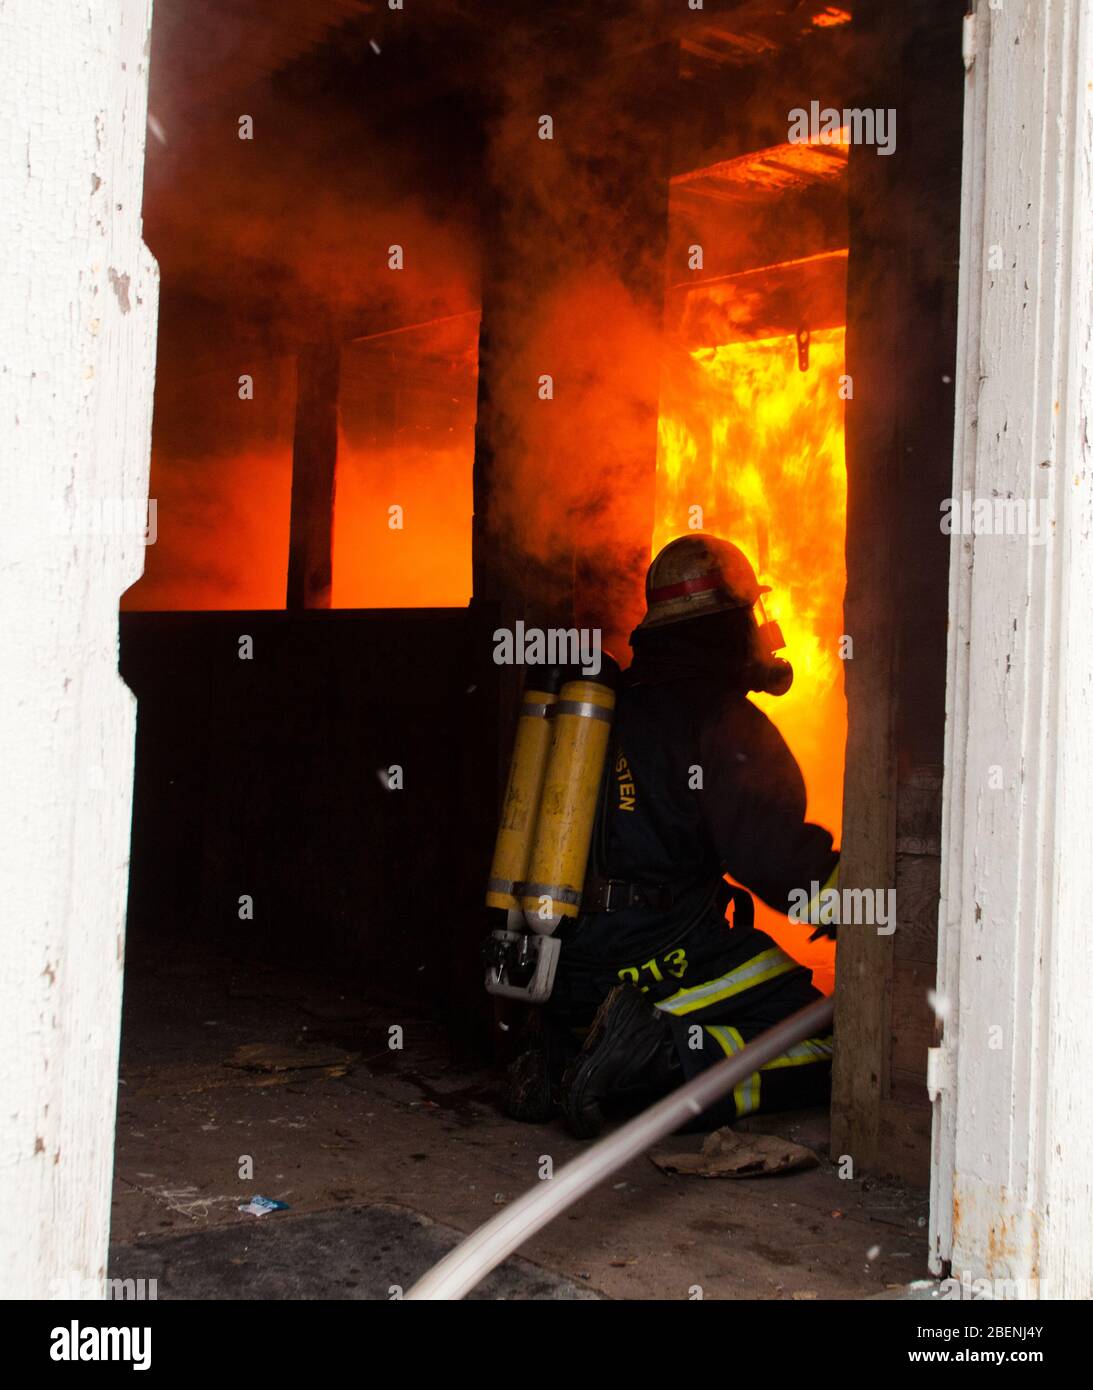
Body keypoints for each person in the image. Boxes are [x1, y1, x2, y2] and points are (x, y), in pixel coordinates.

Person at [504, 533, 839, 1139]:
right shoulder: (721, 719)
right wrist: (861, 904)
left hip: (563, 970)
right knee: (833, 1038)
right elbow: (776, 862)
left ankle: (571, 1052)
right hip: (650, 958)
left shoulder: (610, 704)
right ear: (728, 622)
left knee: (752, 963)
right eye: (749, 615)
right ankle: (655, 1067)